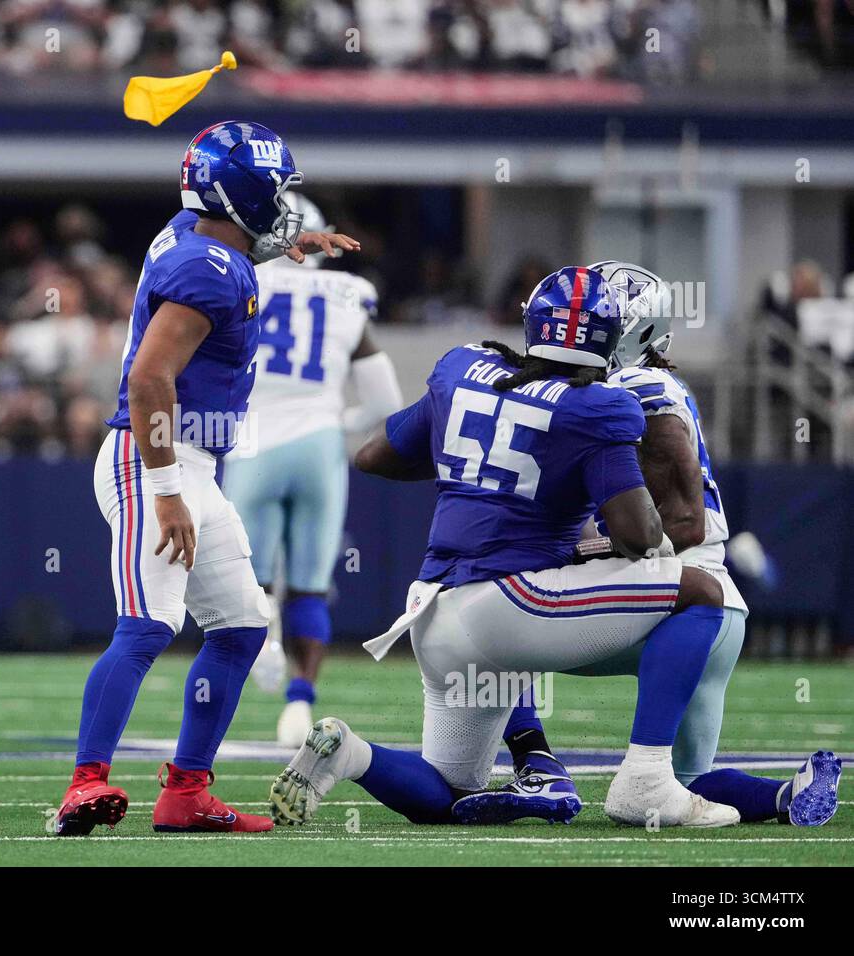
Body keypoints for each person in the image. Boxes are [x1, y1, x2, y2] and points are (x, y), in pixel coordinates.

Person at [269, 265, 740, 830]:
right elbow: (638, 537)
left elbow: (375, 456)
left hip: (433, 614)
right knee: (700, 592)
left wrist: (486, 470)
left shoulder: (464, 369)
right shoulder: (601, 406)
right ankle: (646, 780)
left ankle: (349, 752)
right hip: (511, 607)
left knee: (446, 791)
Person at [54, 120, 360, 836]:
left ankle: (186, 792)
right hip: (151, 460)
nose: (285, 205)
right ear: (242, 194)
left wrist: (293, 243)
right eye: (277, 192)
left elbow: (228, 235)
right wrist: (164, 493)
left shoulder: (194, 232)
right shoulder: (205, 271)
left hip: (190, 463)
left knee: (243, 627)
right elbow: (148, 378)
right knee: (148, 624)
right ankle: (84, 784)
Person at [459, 260, 842, 828]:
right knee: (683, 782)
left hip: (676, 593)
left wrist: (586, 549)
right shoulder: (637, 384)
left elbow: (684, 521)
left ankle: (537, 766)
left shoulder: (640, 387)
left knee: (492, 617)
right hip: (713, 610)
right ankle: (787, 795)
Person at [222, 192, 403, 746]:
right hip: (320, 446)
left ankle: (266, 643)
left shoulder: (235, 279)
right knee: (310, 584)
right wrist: (331, 416)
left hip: (253, 440)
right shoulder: (349, 295)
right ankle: (300, 702)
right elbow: (385, 404)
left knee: (247, 578)